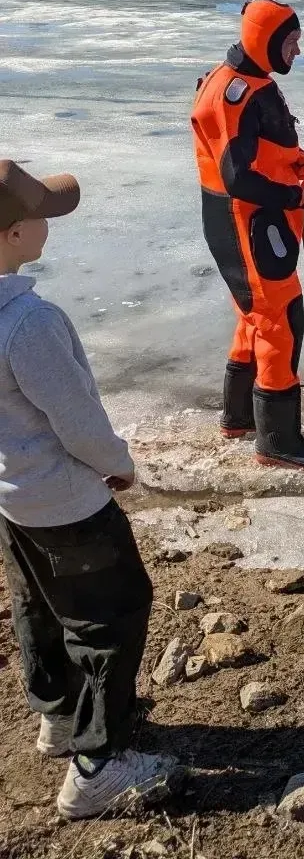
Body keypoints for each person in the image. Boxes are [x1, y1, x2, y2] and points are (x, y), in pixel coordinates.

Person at [0, 160, 180, 819]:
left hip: (13, 497)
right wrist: (119, 465)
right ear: (15, 234)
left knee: (38, 603)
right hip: (67, 503)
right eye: (41, 214)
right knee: (112, 616)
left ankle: (58, 716)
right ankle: (97, 766)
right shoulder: (29, 323)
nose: (49, 222)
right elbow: (77, 423)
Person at [191, 0, 304, 471]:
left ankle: (238, 417)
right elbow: (238, 178)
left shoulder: (254, 81)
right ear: (265, 40)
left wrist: (295, 161)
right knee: (280, 322)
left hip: (256, 221)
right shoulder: (232, 92)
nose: (297, 51)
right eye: (291, 42)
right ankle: (278, 440)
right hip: (246, 222)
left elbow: (259, 150)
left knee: (255, 316)